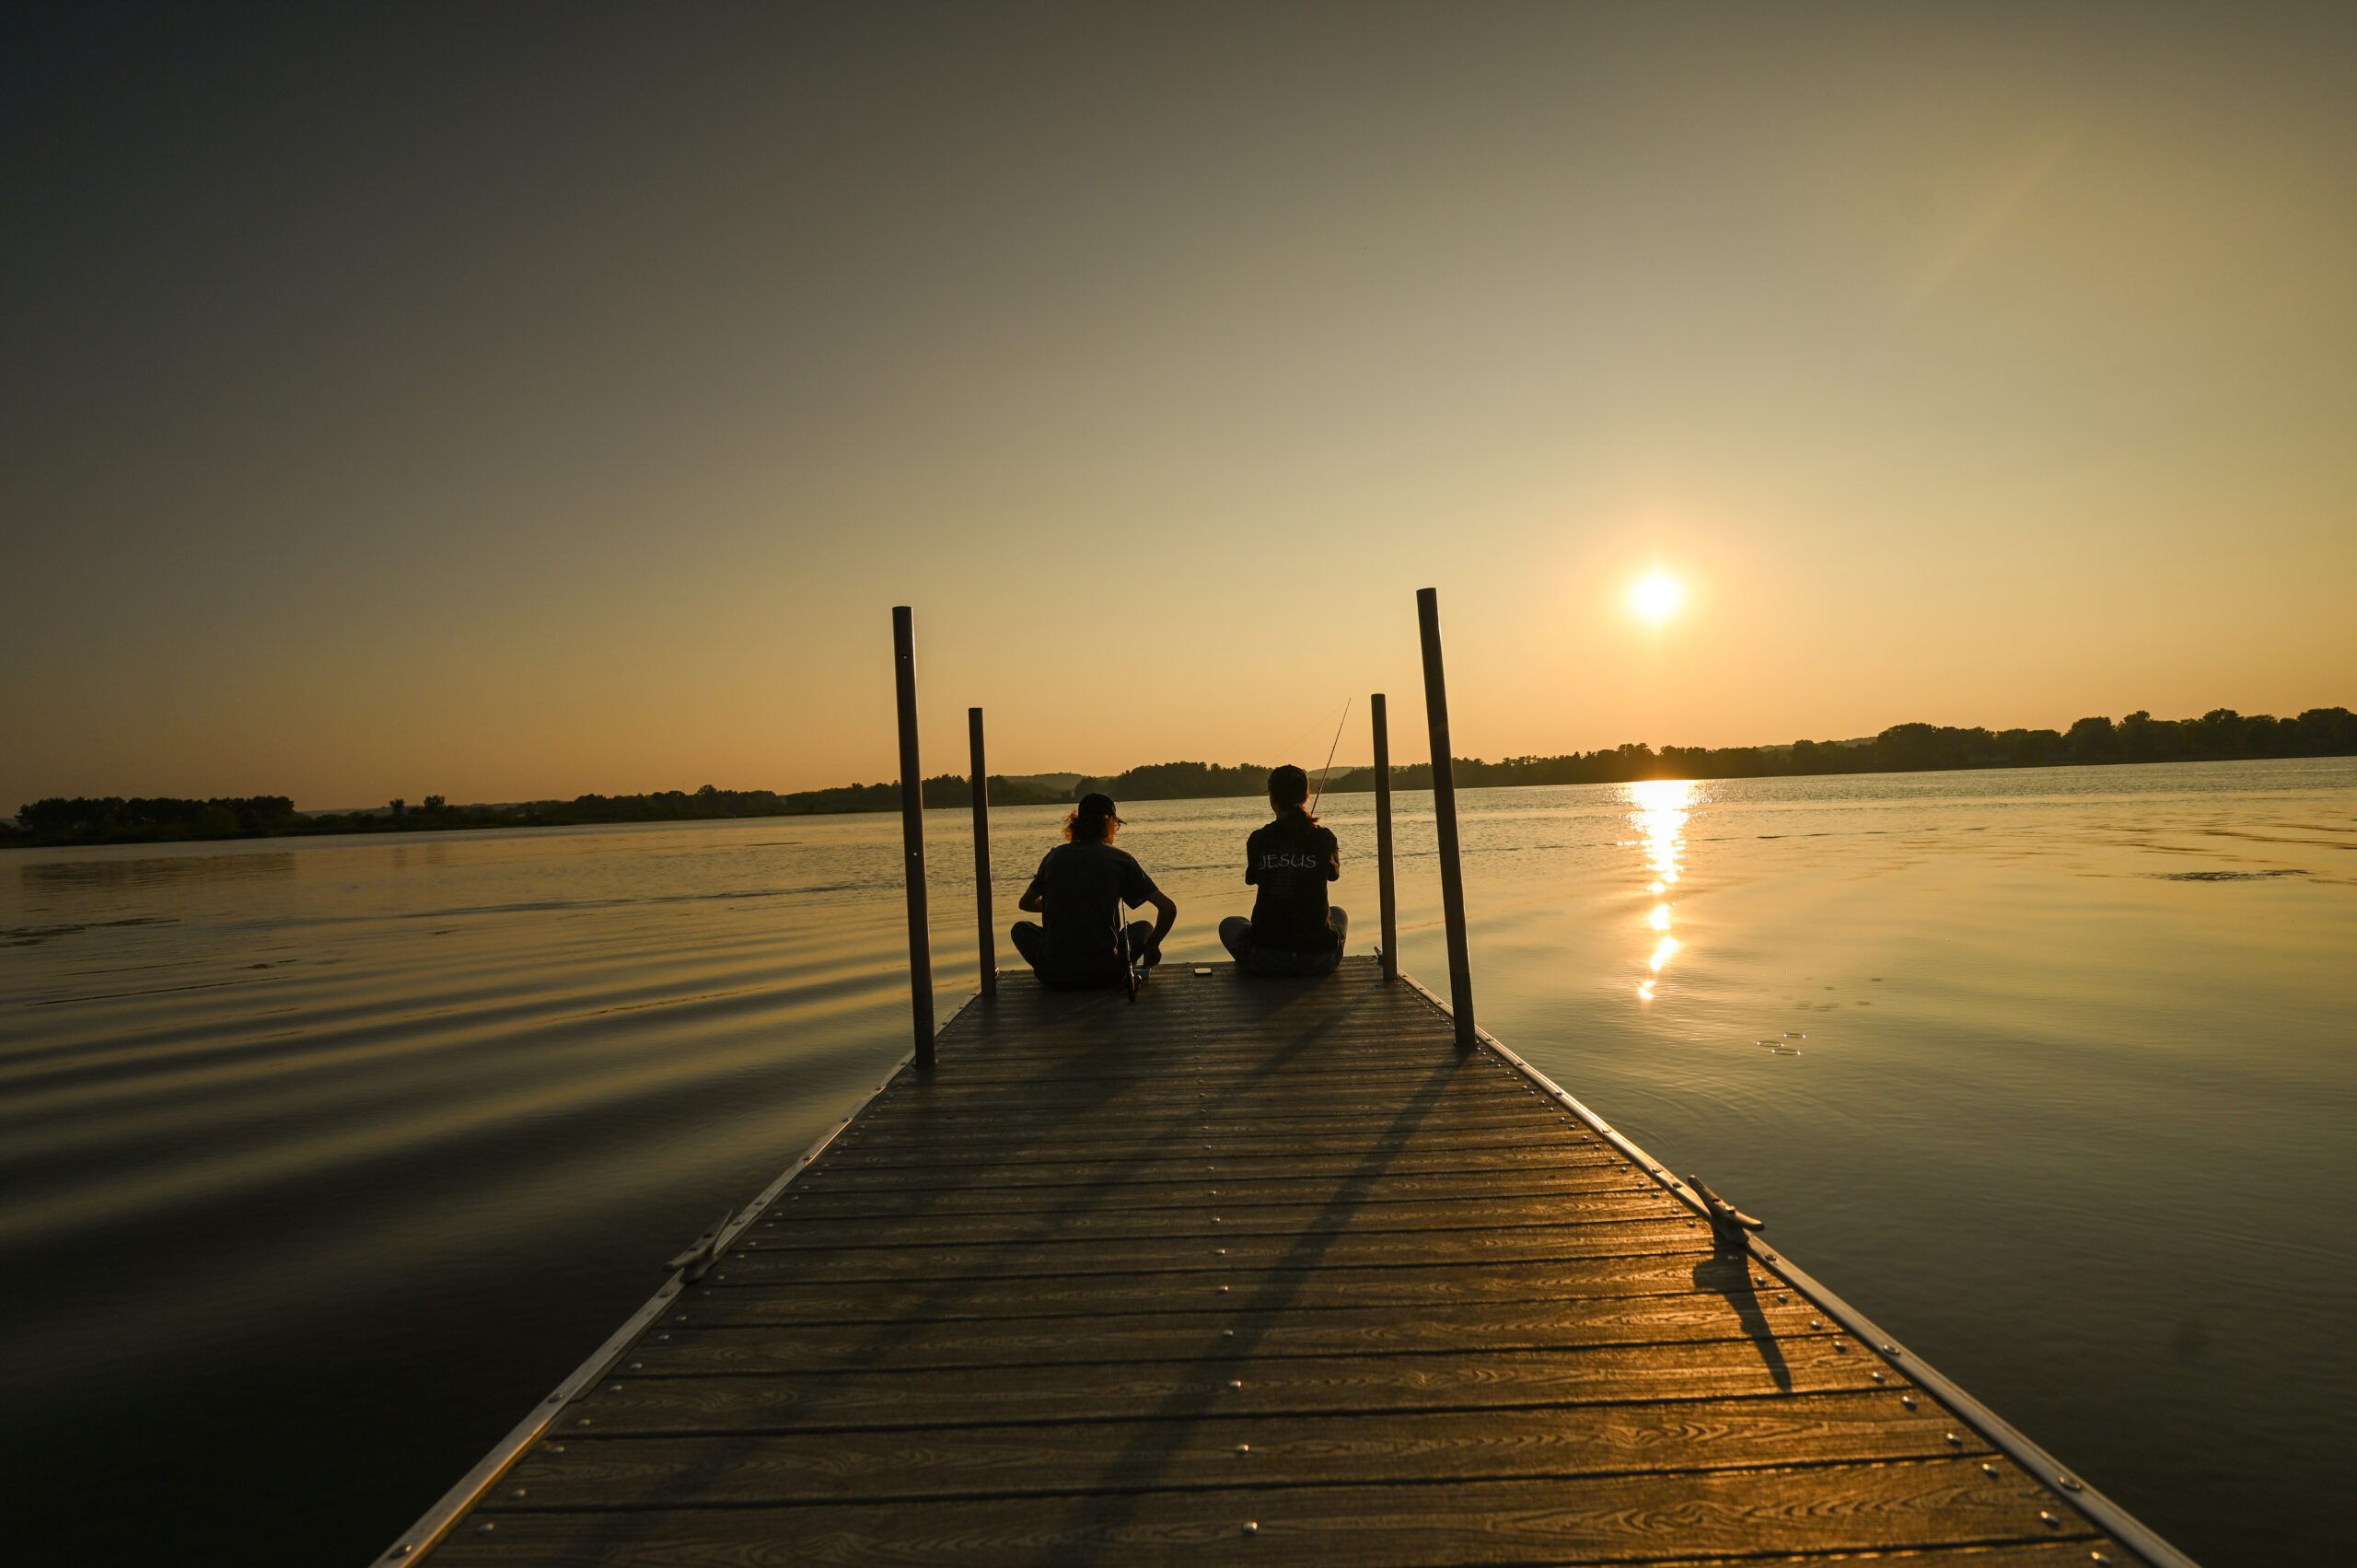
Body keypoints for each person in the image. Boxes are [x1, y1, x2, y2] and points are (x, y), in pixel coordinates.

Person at [1010, 793, 1178, 990]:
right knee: (1144, 928)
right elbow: (1168, 909)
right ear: (1109, 824)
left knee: (1021, 930)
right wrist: (1153, 945)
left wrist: (1064, 905)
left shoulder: (1053, 858)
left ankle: (1059, 966)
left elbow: (1025, 903)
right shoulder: (1121, 860)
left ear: (1077, 824)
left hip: (1053, 974)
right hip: (1105, 973)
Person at [1220, 764, 1347, 976]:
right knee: (1339, 913)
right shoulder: (1324, 838)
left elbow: (1251, 879)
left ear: (1272, 799)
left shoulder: (1259, 838)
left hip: (1267, 959)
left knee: (1230, 925)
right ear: (1306, 796)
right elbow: (1333, 876)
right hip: (1320, 960)